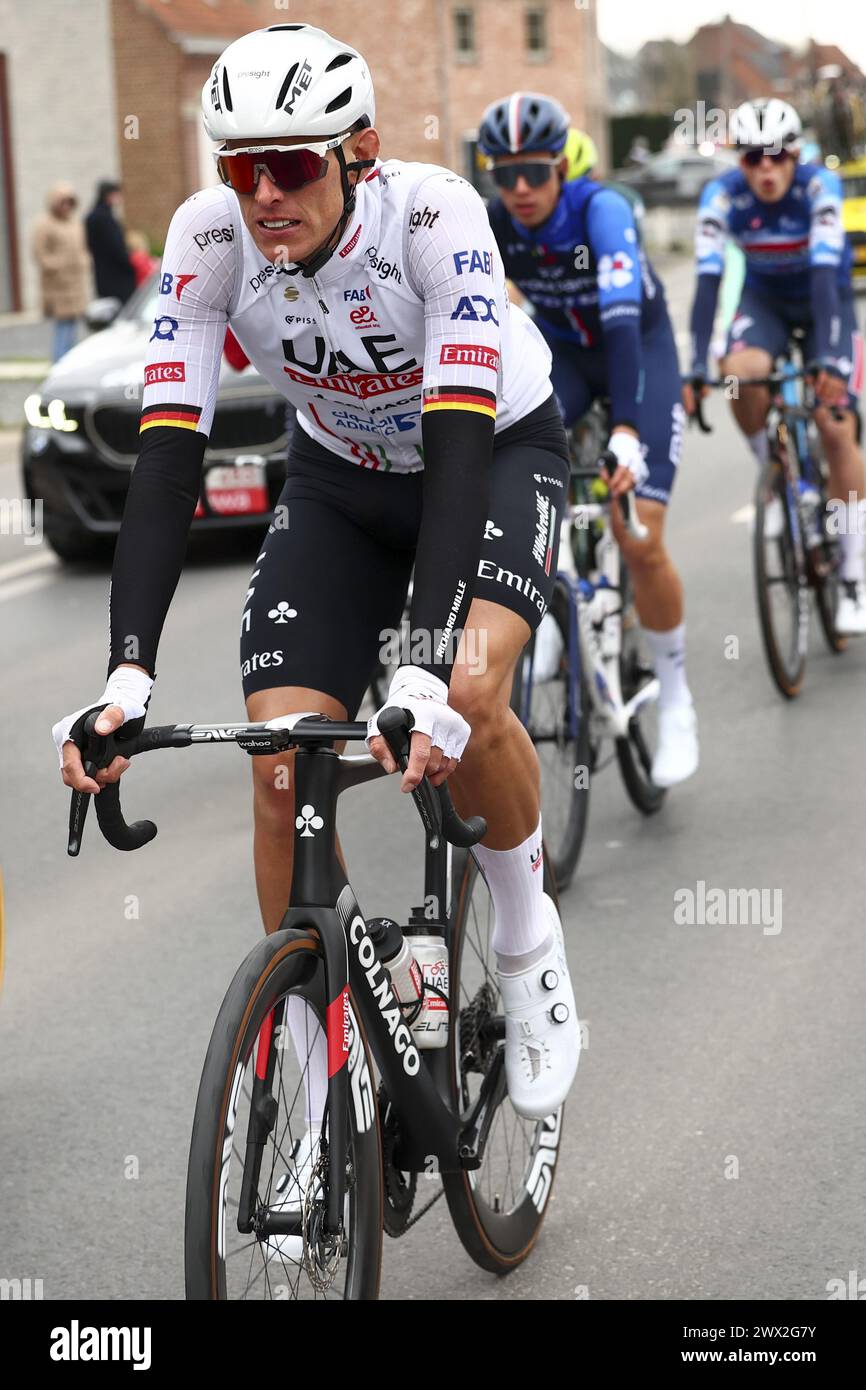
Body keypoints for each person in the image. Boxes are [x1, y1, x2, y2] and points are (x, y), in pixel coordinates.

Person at [53, 26, 599, 1144]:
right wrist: (126, 678)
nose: (260, 194)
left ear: (361, 151)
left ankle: (523, 936)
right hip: (342, 480)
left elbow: (451, 438)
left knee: (477, 689)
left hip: (489, 453)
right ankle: (309, 1059)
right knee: (278, 759)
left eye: (291, 164)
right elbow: (167, 457)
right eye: (236, 165)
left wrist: (428, 669)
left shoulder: (435, 215)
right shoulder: (207, 240)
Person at [478, 91, 698, 788]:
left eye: (534, 173)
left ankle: (677, 696)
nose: (519, 189)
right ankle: (549, 607)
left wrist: (628, 428)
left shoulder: (600, 212)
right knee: (510, 464)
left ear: (560, 171)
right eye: (504, 173)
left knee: (640, 534)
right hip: (569, 357)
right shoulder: (493, 223)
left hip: (639, 355)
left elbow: (625, 321)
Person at [684, 97, 866, 633]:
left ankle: (854, 573)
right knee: (739, 373)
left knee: (836, 425)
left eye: (777, 156)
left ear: (796, 154)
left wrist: (830, 358)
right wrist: (697, 364)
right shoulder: (721, 196)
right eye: (751, 157)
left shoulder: (818, 189)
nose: (765, 168)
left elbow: (826, 274)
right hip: (764, 302)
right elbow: (708, 283)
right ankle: (779, 475)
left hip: (822, 301)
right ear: (738, 160)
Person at [32, 184, 91, 362]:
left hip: (75, 285)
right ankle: (58, 364)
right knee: (62, 328)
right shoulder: (45, 225)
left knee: (73, 329)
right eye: (62, 202)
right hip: (58, 287)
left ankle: (68, 364)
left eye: (69, 202)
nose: (66, 206)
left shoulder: (75, 224)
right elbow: (40, 254)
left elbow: (82, 248)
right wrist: (59, 265)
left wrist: (84, 261)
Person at [85, 180, 135, 304]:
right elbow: (116, 246)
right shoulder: (104, 218)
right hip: (115, 276)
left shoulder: (94, 216)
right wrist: (129, 262)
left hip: (103, 274)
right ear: (109, 195)